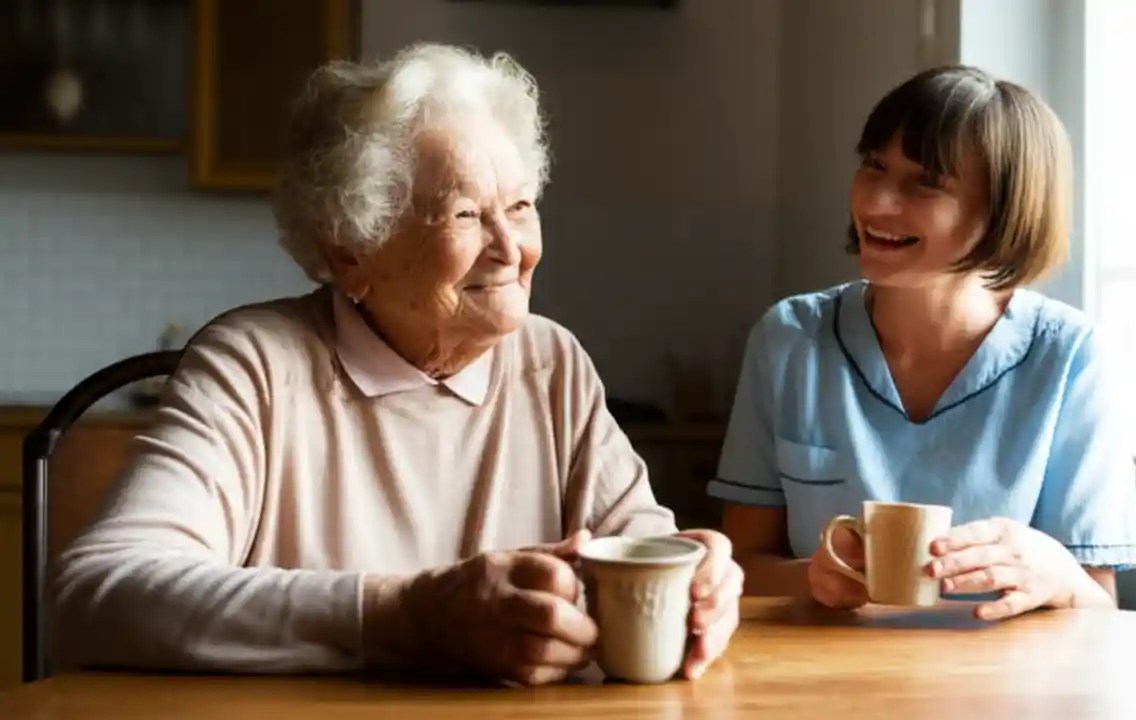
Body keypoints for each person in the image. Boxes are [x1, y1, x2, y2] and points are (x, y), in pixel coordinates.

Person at [51, 43, 742, 685]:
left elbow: (638, 550)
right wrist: (405, 614)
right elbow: (100, 593)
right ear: (352, 250)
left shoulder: (549, 361)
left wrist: (699, 583)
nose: (513, 248)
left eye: (522, 206)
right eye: (467, 215)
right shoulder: (255, 368)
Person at [711, 66, 1136, 621]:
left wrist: (1055, 571)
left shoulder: (1069, 356)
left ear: (1003, 212)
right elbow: (740, 569)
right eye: (874, 165)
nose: (877, 203)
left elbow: (1098, 611)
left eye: (926, 183)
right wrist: (813, 577)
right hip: (826, 683)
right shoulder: (789, 339)